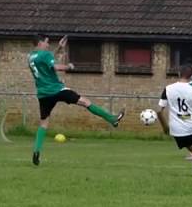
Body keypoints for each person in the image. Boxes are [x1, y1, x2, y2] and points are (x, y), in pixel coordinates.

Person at [28, 34, 124, 166]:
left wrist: (59, 48)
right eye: (46, 42)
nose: (48, 45)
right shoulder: (45, 55)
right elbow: (54, 66)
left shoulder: (31, 57)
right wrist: (69, 67)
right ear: (40, 43)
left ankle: (36, 151)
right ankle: (112, 119)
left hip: (43, 94)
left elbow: (46, 59)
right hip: (57, 90)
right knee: (85, 102)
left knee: (43, 123)